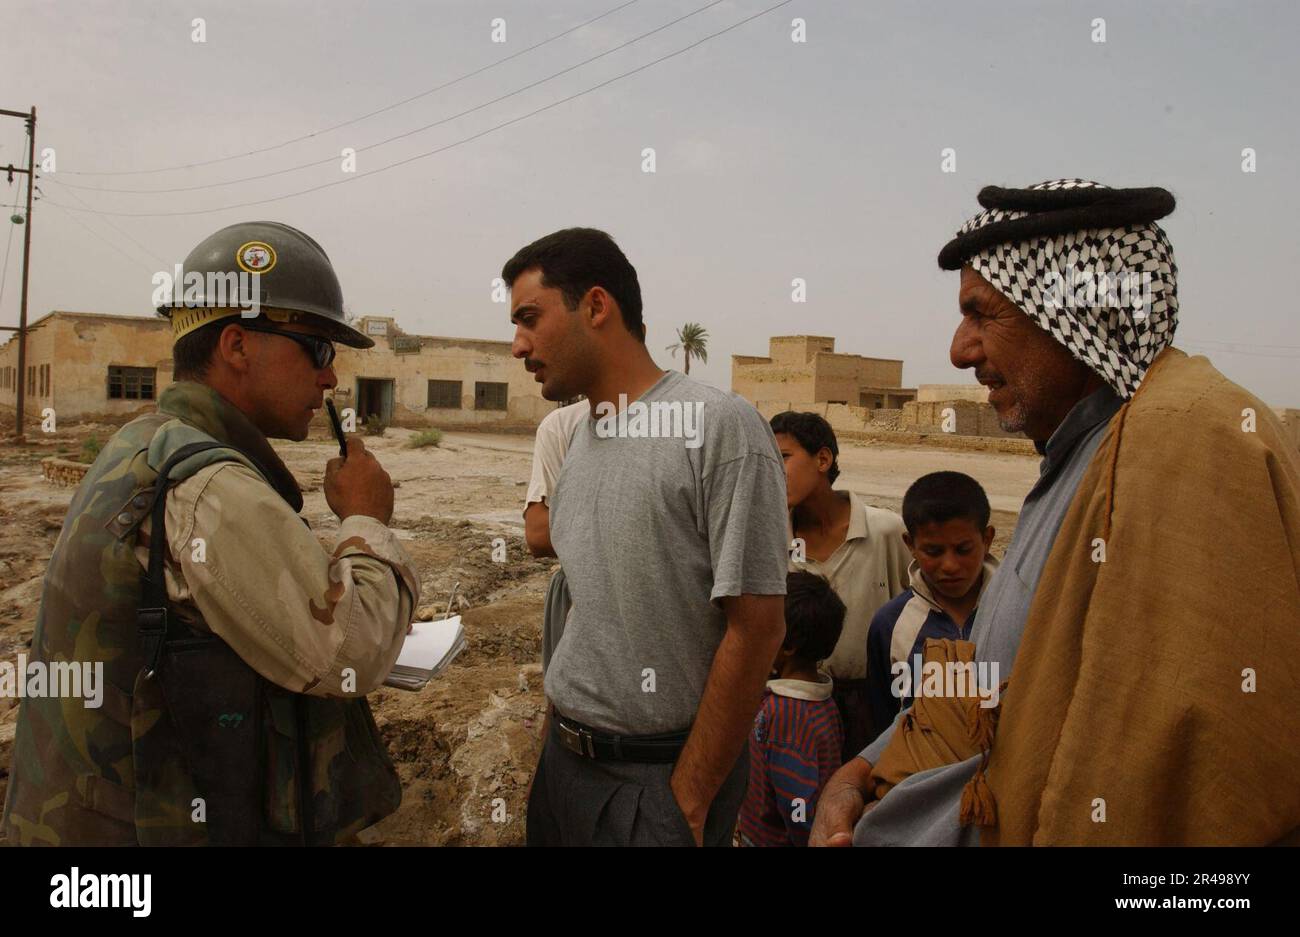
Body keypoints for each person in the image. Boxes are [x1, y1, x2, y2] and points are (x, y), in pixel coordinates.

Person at [810, 179, 1300, 847]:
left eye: (983, 314)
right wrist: (861, 770)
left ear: (1076, 309)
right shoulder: (1084, 455)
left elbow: (1175, 793)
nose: (960, 349)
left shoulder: (1181, 441)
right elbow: (993, 685)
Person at [3, 221, 420, 846]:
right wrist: (365, 522)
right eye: (319, 349)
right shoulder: (208, 487)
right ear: (236, 345)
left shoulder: (145, 443)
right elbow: (350, 655)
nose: (331, 379)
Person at [508, 227, 789, 847]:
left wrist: (686, 800)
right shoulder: (578, 439)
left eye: (529, 318)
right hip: (563, 771)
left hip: (655, 786)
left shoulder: (720, 428)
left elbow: (758, 626)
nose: (517, 345)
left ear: (597, 306)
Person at [771, 410, 910, 762]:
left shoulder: (886, 532)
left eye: (784, 457)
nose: (773, 471)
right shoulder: (771, 538)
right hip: (794, 704)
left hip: (874, 704)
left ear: (822, 458)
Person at [865, 471, 998, 742]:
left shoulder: (1016, 612)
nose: (949, 565)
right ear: (910, 544)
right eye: (933, 552)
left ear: (987, 539)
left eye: (963, 550)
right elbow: (882, 725)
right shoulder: (890, 625)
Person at [738, 571, 845, 847]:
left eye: (765, 625)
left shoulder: (788, 715)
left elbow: (798, 805)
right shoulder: (820, 702)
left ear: (787, 646)